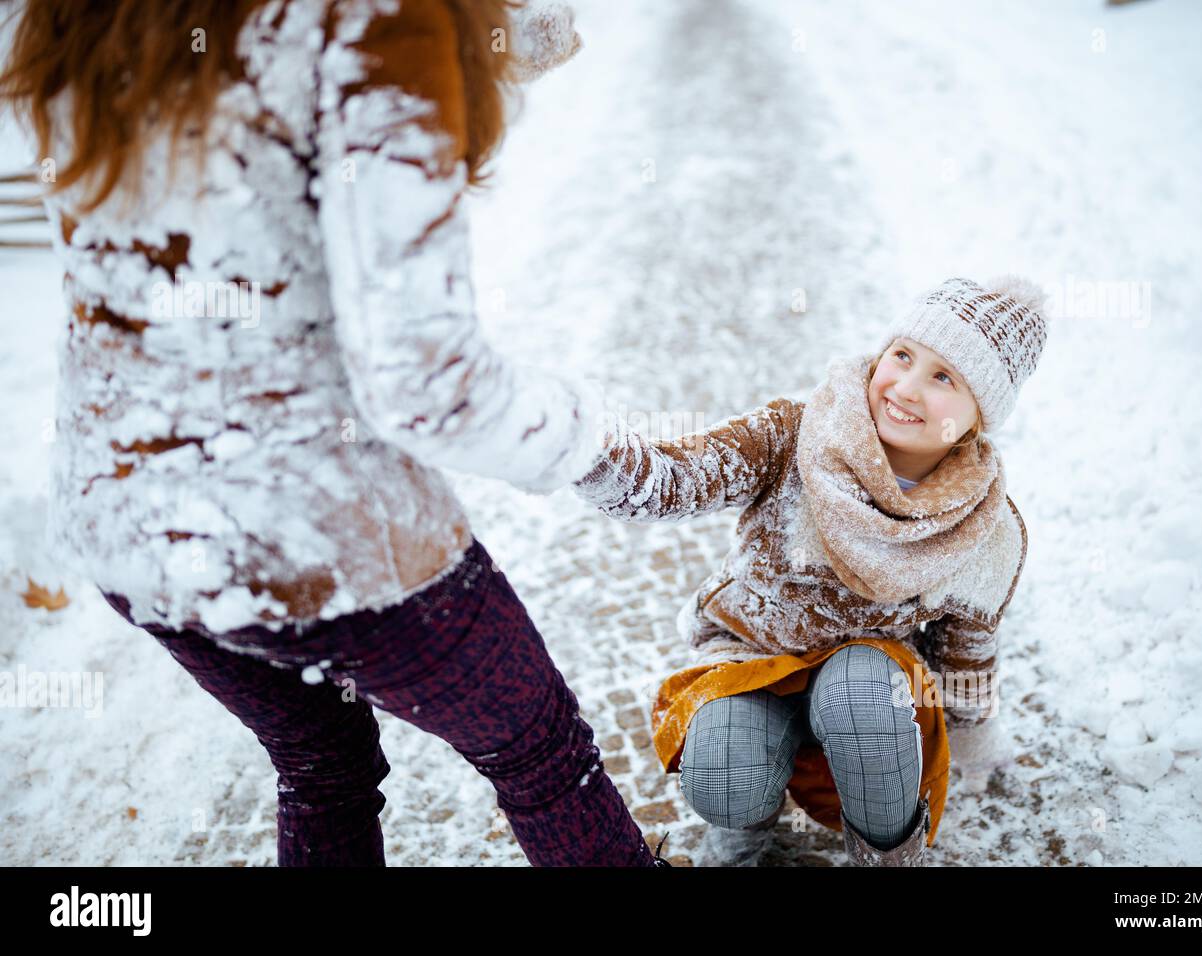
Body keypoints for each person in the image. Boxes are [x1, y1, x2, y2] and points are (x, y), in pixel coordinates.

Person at [0, 0, 664, 866]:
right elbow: (431, 386)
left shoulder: (73, 16)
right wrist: (597, 448)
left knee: (321, 764)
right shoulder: (380, 19)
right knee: (541, 755)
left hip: (125, 525)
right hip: (309, 532)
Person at [572, 276, 1049, 865]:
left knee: (862, 692)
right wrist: (579, 444)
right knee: (726, 776)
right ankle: (742, 831)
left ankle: (888, 854)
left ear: (980, 415)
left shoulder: (984, 528)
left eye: (944, 377)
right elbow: (672, 481)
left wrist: (973, 734)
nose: (905, 386)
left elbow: (966, 649)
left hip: (868, 688)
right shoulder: (797, 433)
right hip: (751, 656)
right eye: (902, 355)